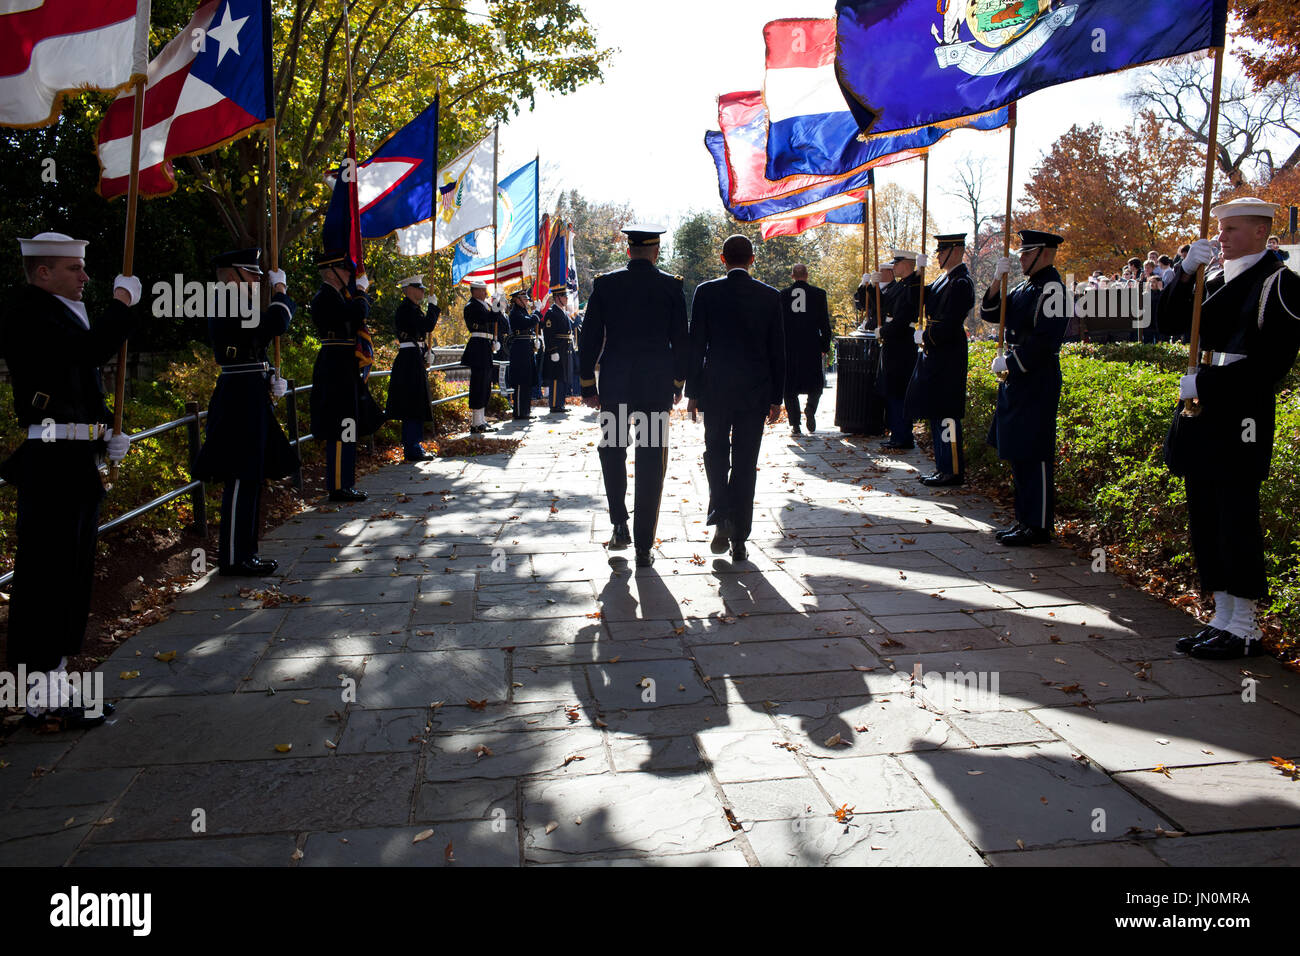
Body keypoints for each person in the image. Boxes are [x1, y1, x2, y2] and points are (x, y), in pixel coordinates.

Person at [1, 232, 138, 730]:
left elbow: (83, 384)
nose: (84, 277)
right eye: (73, 269)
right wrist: (121, 304)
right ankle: (37, 697)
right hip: (52, 461)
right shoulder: (29, 313)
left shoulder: (62, 311)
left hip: (76, 459)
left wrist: (105, 435)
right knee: (46, 580)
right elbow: (86, 352)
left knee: (72, 577)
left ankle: (55, 680)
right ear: (42, 273)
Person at [1160, 199, 1300, 660]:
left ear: (1262, 232)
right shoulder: (1214, 277)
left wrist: (1208, 381)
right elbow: (1168, 323)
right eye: (1220, 230)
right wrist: (1182, 275)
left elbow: (1273, 364)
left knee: (1235, 518)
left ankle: (1245, 627)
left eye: (1233, 230)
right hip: (1202, 406)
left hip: (1240, 412)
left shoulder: (1279, 283)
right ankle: (1221, 616)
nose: (1222, 237)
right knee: (1206, 517)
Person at [580, 223, 688, 568]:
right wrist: (677, 383)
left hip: (616, 387)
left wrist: (587, 384)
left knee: (612, 451)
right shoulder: (671, 287)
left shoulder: (606, 285)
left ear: (629, 251)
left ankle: (619, 524)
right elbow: (680, 340)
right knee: (651, 459)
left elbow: (591, 337)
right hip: (655, 389)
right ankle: (644, 544)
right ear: (656, 252)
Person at [193, 248, 297, 576]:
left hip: (249, 391)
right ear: (233, 274)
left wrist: (268, 377)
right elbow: (274, 324)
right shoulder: (226, 298)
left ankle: (245, 552)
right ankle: (235, 557)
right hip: (238, 397)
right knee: (241, 476)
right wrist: (282, 294)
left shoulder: (237, 302)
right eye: (251, 274)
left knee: (251, 475)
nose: (256, 280)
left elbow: (256, 344)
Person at [687, 235, 785, 562]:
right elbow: (777, 353)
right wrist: (776, 398)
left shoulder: (707, 292)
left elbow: (696, 344)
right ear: (752, 259)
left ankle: (721, 515)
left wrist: (693, 392)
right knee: (745, 463)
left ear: (722, 258)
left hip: (716, 389)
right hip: (755, 392)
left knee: (715, 453)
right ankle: (740, 538)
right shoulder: (770, 297)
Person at [979, 230, 1069, 546]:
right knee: (1019, 450)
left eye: (1027, 253)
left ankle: (1039, 524)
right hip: (1018, 376)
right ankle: (1024, 519)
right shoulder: (1025, 286)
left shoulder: (1053, 288)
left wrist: (1013, 363)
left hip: (1037, 375)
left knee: (1035, 451)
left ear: (1045, 252)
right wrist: (995, 280)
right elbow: (990, 313)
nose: (1021, 258)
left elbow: (1046, 341)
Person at [310, 249, 384, 501]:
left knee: (348, 424)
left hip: (343, 364)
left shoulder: (339, 296)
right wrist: (361, 293)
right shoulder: (325, 297)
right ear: (331, 272)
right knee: (341, 425)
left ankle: (346, 481)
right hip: (335, 365)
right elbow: (356, 313)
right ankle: (339, 485)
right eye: (344, 270)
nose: (349, 275)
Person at [906, 233, 973, 487]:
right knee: (937, 411)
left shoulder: (961, 282)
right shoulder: (943, 279)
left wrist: (928, 334)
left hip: (948, 352)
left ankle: (953, 470)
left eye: (941, 251)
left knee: (947, 412)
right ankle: (942, 466)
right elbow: (917, 301)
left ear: (955, 251)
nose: (937, 256)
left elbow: (951, 321)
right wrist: (917, 275)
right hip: (936, 352)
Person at [384, 274, 440, 461]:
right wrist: (432, 308)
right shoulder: (406, 309)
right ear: (408, 289)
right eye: (419, 287)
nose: (423, 291)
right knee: (411, 405)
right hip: (408, 360)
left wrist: (426, 351)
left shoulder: (413, 308)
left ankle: (415, 444)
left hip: (414, 357)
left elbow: (420, 334)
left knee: (416, 403)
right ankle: (412, 447)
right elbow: (427, 326)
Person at [877, 249, 922, 450]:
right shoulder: (901, 285)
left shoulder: (912, 285)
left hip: (902, 345)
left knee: (899, 393)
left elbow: (903, 319)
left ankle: (903, 435)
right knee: (892, 392)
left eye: (897, 262)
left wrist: (884, 331)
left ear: (908, 263)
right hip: (893, 345)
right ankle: (897, 433)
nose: (894, 266)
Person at [780, 264, 831, 436]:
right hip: (811, 346)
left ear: (792, 275)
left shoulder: (783, 295)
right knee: (815, 384)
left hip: (789, 346)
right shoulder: (818, 294)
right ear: (807, 275)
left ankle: (795, 423)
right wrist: (825, 345)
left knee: (789, 387)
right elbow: (824, 323)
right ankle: (810, 409)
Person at [460, 278, 498, 433]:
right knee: (478, 385)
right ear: (475, 290)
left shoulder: (483, 305)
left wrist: (494, 340)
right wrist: (495, 308)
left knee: (485, 386)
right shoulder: (472, 306)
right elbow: (487, 319)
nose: (485, 293)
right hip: (478, 347)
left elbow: (494, 320)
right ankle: (476, 422)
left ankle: (481, 420)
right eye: (482, 290)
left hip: (485, 346)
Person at [506, 287, 539, 420]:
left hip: (526, 348)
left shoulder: (523, 311)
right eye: (524, 298)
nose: (527, 300)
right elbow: (529, 322)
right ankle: (519, 412)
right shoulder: (515, 313)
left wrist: (535, 340)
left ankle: (525, 411)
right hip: (519, 350)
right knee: (520, 382)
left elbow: (530, 326)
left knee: (527, 381)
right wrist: (537, 313)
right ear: (517, 300)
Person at [541, 287, 575, 414]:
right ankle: (554, 404)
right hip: (557, 349)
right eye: (564, 296)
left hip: (565, 349)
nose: (566, 298)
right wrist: (553, 350)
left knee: (562, 376)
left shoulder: (563, 312)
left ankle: (560, 403)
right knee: (556, 377)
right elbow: (548, 334)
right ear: (557, 298)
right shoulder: (551, 312)